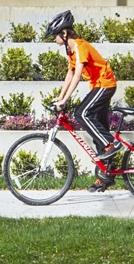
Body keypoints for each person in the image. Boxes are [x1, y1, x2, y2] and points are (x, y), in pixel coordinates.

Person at [46, 12, 125, 188]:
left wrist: (65, 100)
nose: (53, 39)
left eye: (54, 35)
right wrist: (60, 97)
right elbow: (70, 73)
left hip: (105, 84)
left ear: (64, 33)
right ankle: (106, 176)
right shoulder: (71, 50)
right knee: (98, 129)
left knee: (81, 113)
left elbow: (78, 76)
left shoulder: (81, 46)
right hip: (97, 86)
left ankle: (111, 144)